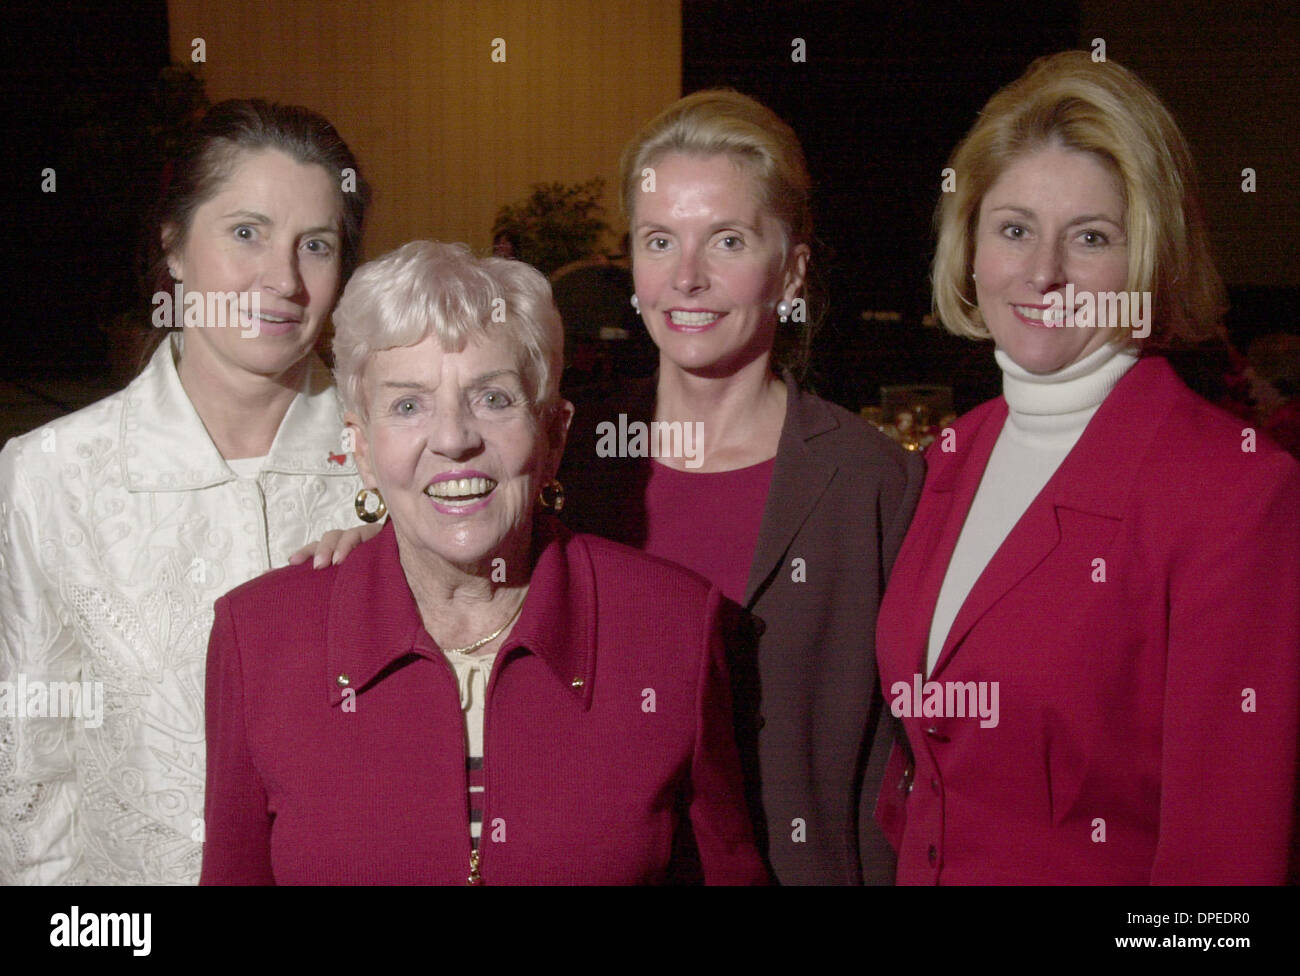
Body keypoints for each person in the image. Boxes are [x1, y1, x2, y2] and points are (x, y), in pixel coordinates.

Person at [200, 241, 766, 885]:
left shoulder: (674, 627)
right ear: (360, 448)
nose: (453, 438)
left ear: (554, 434)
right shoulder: (260, 637)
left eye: (493, 398)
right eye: (408, 405)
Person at [875, 51, 1300, 884]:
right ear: (969, 248)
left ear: (1150, 256)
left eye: (1092, 238)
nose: (1043, 273)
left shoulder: (1236, 493)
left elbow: (1224, 872)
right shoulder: (952, 455)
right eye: (1014, 229)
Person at [0, 99, 371, 884]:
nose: (281, 280)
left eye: (316, 244)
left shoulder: (403, 469)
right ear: (173, 245)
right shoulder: (53, 474)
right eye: (247, 233)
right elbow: (33, 772)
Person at [558, 90, 924, 884]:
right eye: (660, 242)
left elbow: (910, 758)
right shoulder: (565, 460)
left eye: (726, 240)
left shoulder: (874, 482)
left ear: (790, 271)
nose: (687, 277)